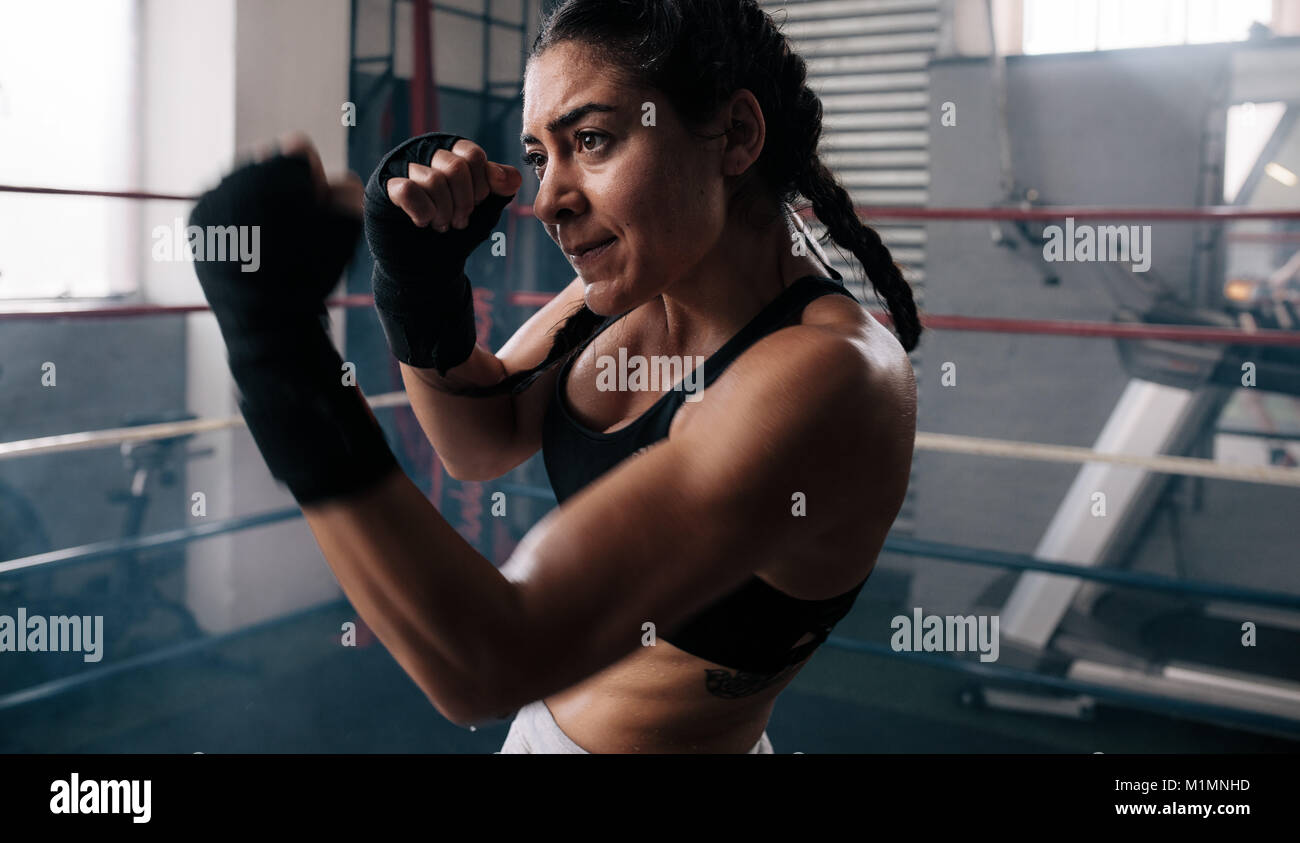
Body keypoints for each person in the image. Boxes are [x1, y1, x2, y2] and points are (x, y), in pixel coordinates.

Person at [189, 0, 919, 753]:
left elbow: (487, 661)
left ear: (735, 135)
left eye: (592, 140)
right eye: (540, 156)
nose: (547, 202)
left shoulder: (829, 377)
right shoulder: (640, 282)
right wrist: (419, 289)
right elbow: (481, 438)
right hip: (538, 728)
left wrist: (275, 351)